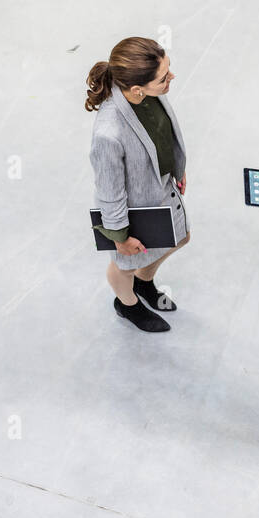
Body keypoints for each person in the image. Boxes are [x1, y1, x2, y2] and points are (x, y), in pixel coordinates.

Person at [86, 37, 191, 333]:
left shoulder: (149, 93)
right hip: (132, 211)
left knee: (181, 237)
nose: (171, 78)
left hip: (161, 189)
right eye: (164, 77)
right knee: (124, 265)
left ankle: (144, 285)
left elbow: (163, 133)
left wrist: (176, 169)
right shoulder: (108, 133)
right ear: (136, 89)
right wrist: (120, 236)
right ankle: (127, 304)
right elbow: (109, 192)